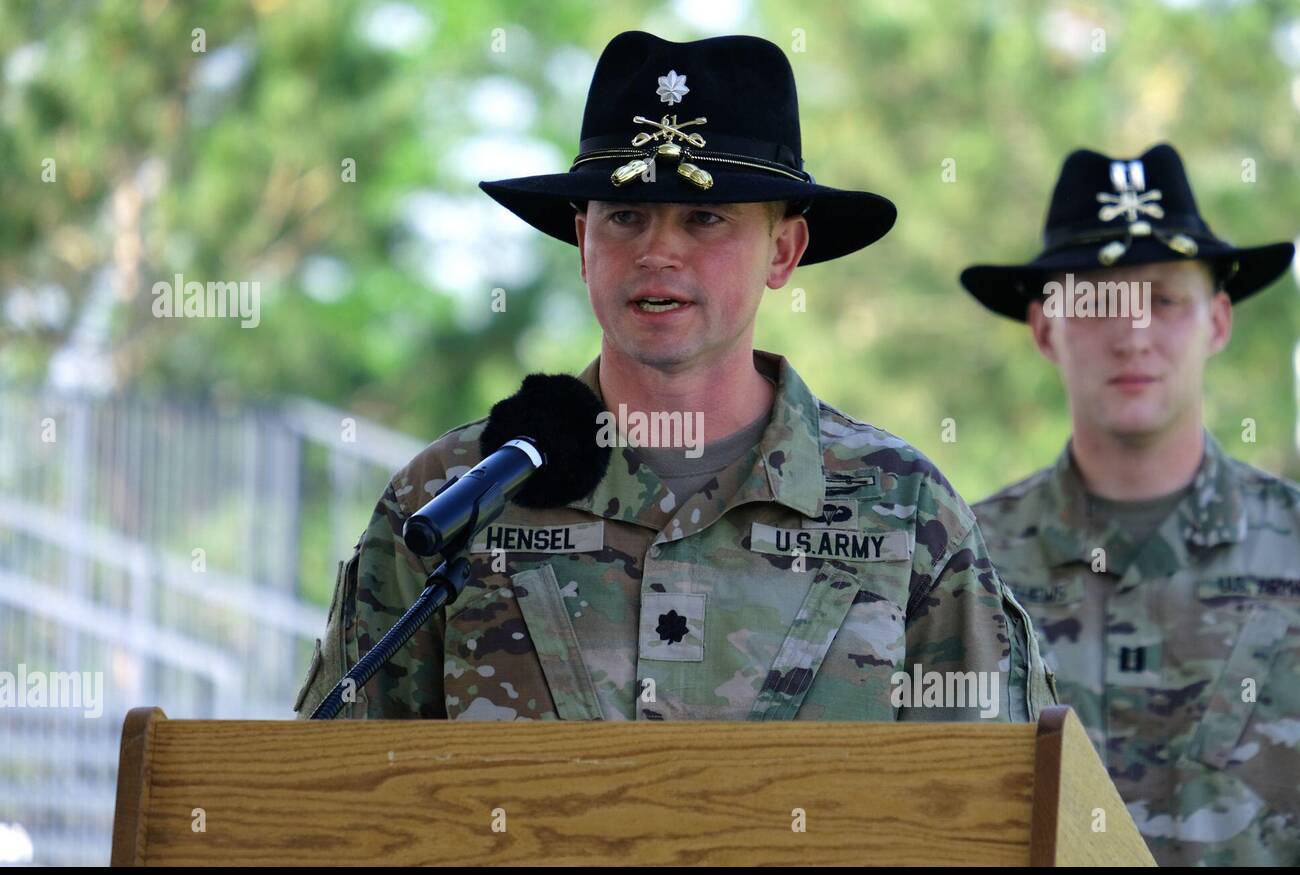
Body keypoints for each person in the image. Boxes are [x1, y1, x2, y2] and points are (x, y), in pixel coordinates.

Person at [294, 31, 1053, 725]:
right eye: (625, 216)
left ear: (784, 251)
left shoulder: (905, 510)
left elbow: (1003, 805)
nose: (659, 251)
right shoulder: (452, 500)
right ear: (583, 242)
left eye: (705, 218)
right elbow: (334, 799)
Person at [963, 143, 1299, 864]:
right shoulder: (962, 564)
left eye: (1164, 299)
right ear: (1046, 329)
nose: (1133, 334)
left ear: (1217, 322)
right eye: (1096, 301)